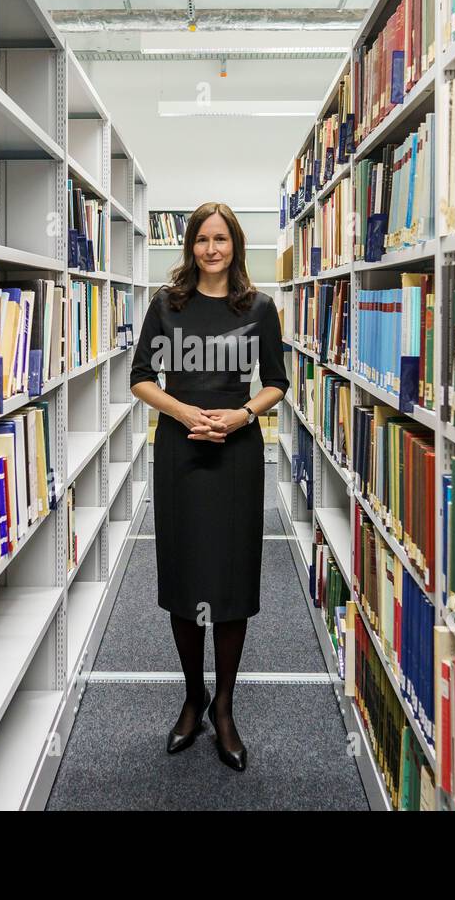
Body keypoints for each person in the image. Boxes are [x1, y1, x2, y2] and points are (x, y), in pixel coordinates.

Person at [129, 202, 289, 772]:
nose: (211, 249)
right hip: (181, 452)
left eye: (221, 239)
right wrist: (183, 412)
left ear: (235, 245)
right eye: (202, 239)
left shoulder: (259, 308)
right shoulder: (166, 306)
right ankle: (191, 698)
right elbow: (140, 378)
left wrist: (242, 415)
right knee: (184, 577)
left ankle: (224, 707)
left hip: (237, 456)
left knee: (230, 581)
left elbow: (277, 383)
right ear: (190, 246)